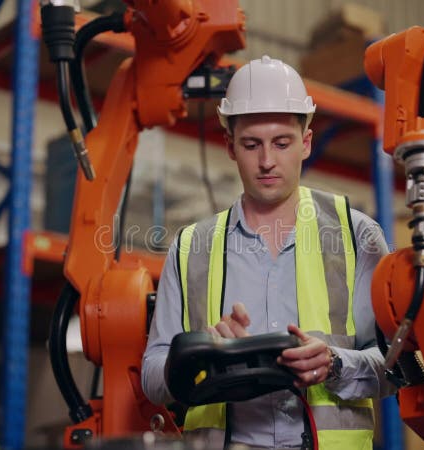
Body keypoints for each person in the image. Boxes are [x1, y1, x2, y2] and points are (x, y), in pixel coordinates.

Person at [141, 55, 392, 450]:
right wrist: (202, 353)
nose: (266, 161)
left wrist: (336, 364)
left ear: (305, 143)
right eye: (251, 144)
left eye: (282, 143)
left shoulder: (357, 235)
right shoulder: (191, 248)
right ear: (229, 146)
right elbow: (153, 376)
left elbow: (398, 365)